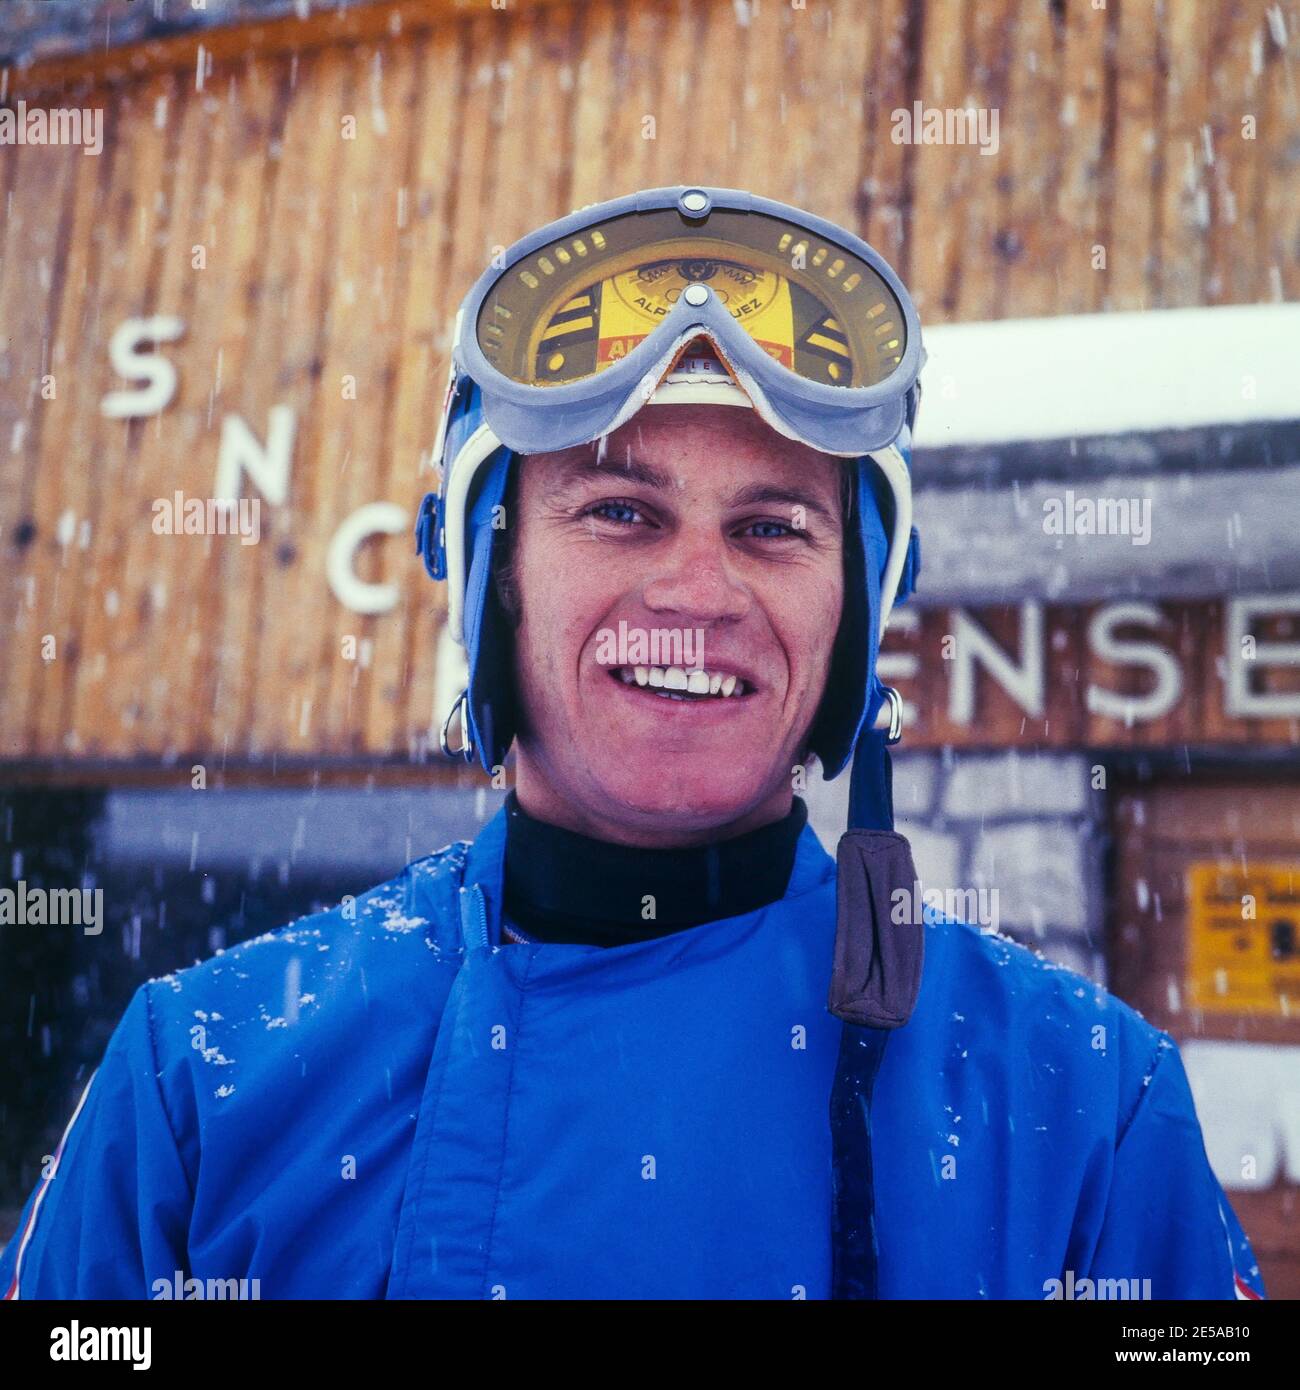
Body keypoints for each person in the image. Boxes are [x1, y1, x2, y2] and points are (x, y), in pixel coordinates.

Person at [2, 187, 1264, 1300]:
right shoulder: (203, 1082)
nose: (697, 591)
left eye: (771, 527)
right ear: (493, 573)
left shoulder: (1083, 1107)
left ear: (857, 603)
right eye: (619, 509)